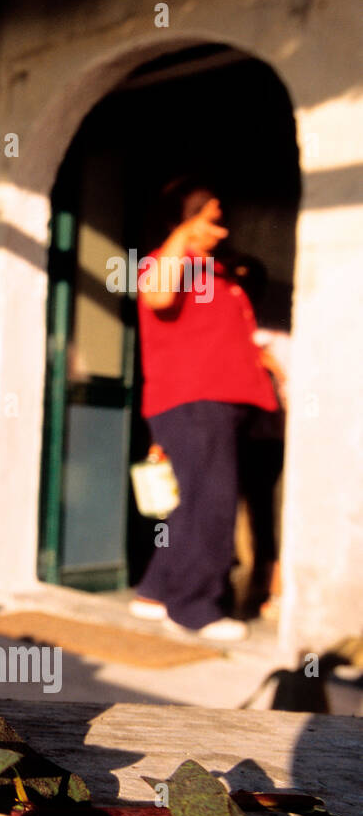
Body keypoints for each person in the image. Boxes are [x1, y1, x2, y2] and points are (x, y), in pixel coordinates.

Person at [128, 178, 281, 641]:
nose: (222, 231)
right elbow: (156, 294)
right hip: (195, 401)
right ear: (187, 221)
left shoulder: (216, 274)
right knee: (210, 503)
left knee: (193, 501)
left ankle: (154, 592)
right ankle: (194, 607)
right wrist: (183, 233)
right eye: (212, 221)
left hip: (229, 404)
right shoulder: (167, 263)